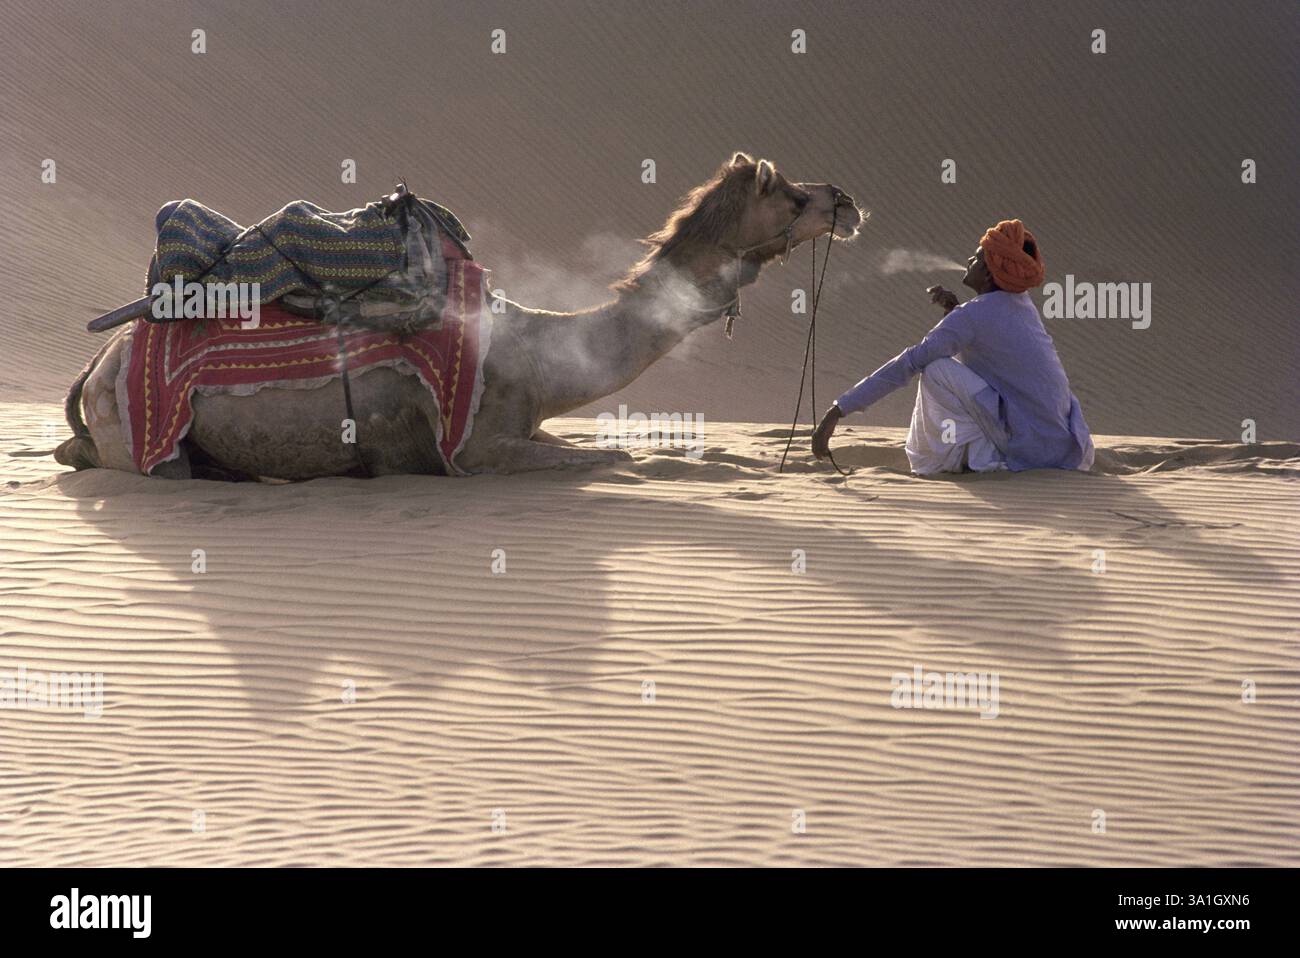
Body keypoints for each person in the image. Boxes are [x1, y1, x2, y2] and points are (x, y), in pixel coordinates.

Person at [811, 219, 1094, 474]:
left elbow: (910, 362)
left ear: (989, 273)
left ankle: (940, 462)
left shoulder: (973, 315)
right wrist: (954, 312)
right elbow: (990, 353)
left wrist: (838, 410)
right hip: (1063, 449)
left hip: (1030, 452)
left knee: (935, 369)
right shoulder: (1020, 305)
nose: (970, 259)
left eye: (978, 257)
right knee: (948, 368)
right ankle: (978, 452)